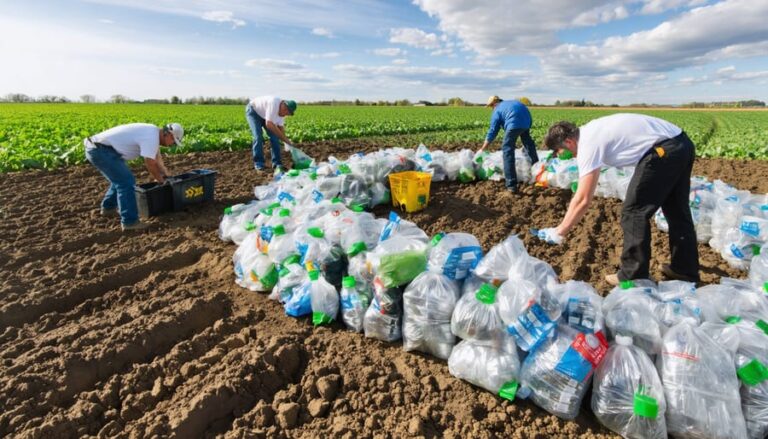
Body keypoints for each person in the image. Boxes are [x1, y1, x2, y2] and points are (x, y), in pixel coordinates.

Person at [535, 113, 699, 286]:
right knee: (676, 210)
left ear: (569, 142)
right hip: (681, 145)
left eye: (565, 153)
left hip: (662, 152)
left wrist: (559, 231)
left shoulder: (588, 145)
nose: (571, 156)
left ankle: (633, 275)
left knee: (634, 212)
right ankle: (684, 271)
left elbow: (583, 199)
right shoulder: (591, 131)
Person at [84, 122, 183, 232]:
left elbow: (156, 157)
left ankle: (108, 208)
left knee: (120, 179)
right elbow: (150, 163)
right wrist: (161, 181)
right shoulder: (151, 137)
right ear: (168, 134)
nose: (171, 145)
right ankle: (129, 222)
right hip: (101, 150)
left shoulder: (153, 132)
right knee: (126, 182)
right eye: (173, 142)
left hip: (102, 149)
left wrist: (165, 172)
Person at [477, 96, 539, 193]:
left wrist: (483, 148)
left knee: (507, 150)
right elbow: (527, 114)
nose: (491, 109)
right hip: (526, 122)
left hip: (513, 124)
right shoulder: (513, 103)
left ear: (494, 104)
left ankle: (511, 185)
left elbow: (492, 131)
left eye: (491, 107)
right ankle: (537, 169)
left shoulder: (497, 110)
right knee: (528, 144)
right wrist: (525, 129)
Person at [245, 96, 297, 172]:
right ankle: (259, 164)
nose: (285, 114)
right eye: (286, 111)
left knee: (275, 138)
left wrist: (286, 141)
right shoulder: (273, 103)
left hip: (266, 116)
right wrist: (285, 139)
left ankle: (277, 164)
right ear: (283, 105)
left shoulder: (282, 114)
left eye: (288, 113)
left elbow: (280, 127)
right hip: (254, 111)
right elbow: (269, 124)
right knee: (258, 136)